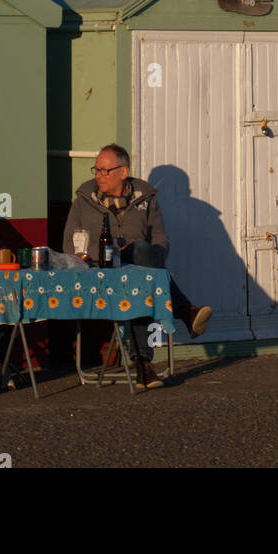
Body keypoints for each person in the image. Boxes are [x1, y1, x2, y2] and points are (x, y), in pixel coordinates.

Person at [62, 144, 212, 391]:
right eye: (96, 170)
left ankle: (143, 365)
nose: (97, 175)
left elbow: (161, 241)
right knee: (141, 280)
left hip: (140, 271)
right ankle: (185, 310)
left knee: (142, 253)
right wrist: (93, 256)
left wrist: (154, 262)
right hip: (101, 273)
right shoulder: (84, 200)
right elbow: (69, 243)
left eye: (104, 171)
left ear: (123, 172)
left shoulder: (146, 198)